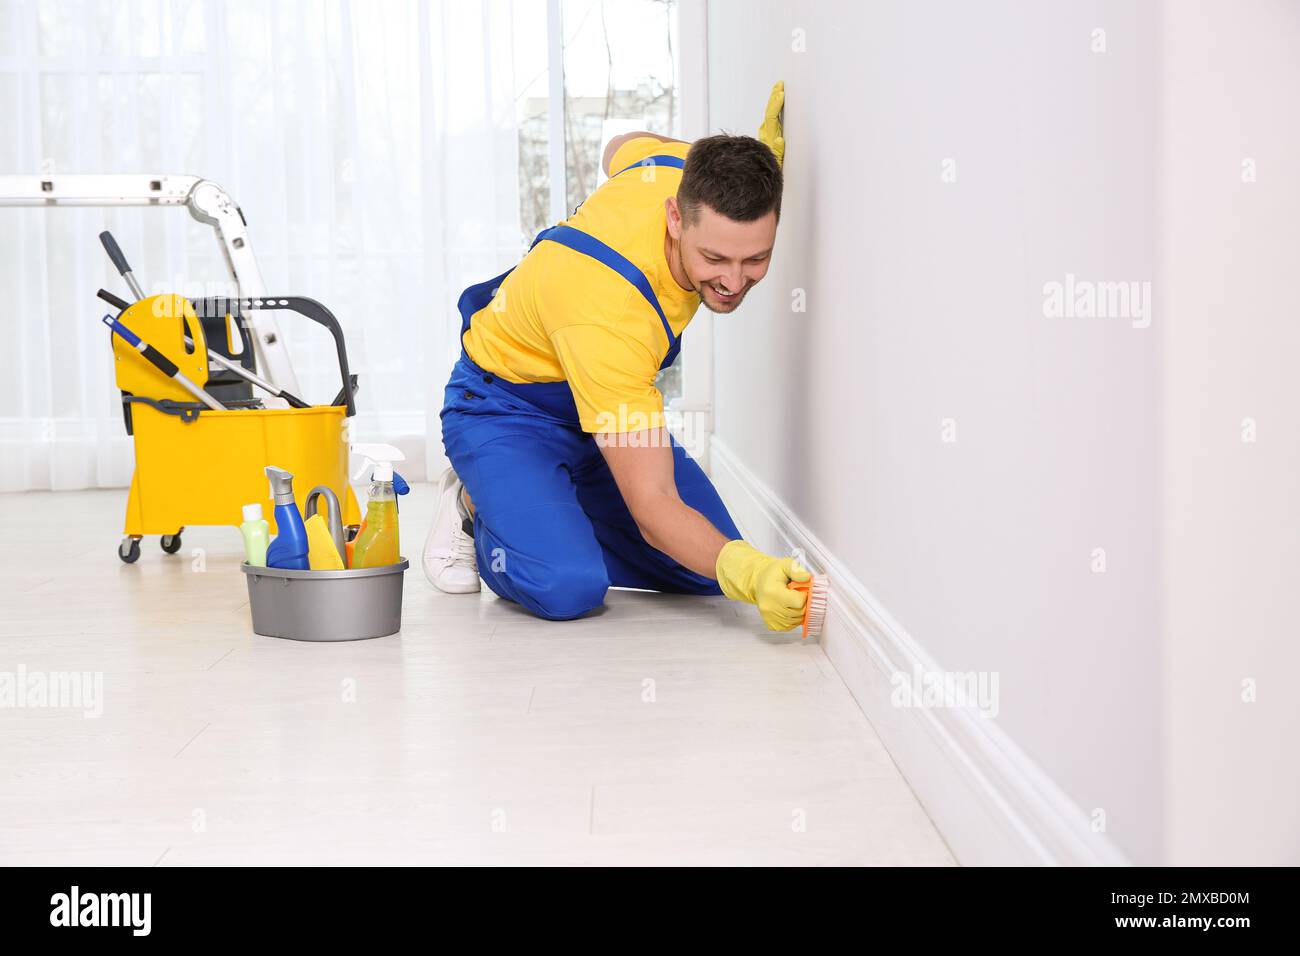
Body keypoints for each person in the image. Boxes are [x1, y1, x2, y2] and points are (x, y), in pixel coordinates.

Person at [423, 82, 808, 631]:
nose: (731, 281)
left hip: (598, 401)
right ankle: (478, 509)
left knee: (704, 569)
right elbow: (654, 510)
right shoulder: (610, 316)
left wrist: (762, 159)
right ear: (676, 218)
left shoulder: (671, 165)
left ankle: (546, 504)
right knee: (568, 584)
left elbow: (621, 146)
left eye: (756, 259)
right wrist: (750, 574)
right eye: (715, 257)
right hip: (506, 409)